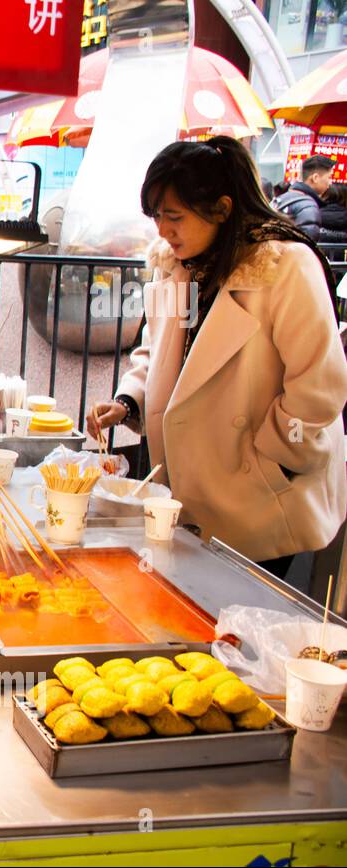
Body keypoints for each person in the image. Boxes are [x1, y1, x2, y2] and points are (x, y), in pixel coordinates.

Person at [86, 136, 347, 579]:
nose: (163, 231)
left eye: (175, 217)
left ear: (222, 208)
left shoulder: (285, 267)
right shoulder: (179, 267)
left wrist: (274, 456)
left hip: (256, 497)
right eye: (155, 217)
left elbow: (318, 386)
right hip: (189, 492)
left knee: (238, 628)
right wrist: (129, 399)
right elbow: (158, 348)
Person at [273, 154, 347, 242]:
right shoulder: (308, 206)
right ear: (315, 178)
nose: (330, 183)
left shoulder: (281, 198)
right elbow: (307, 244)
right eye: (329, 177)